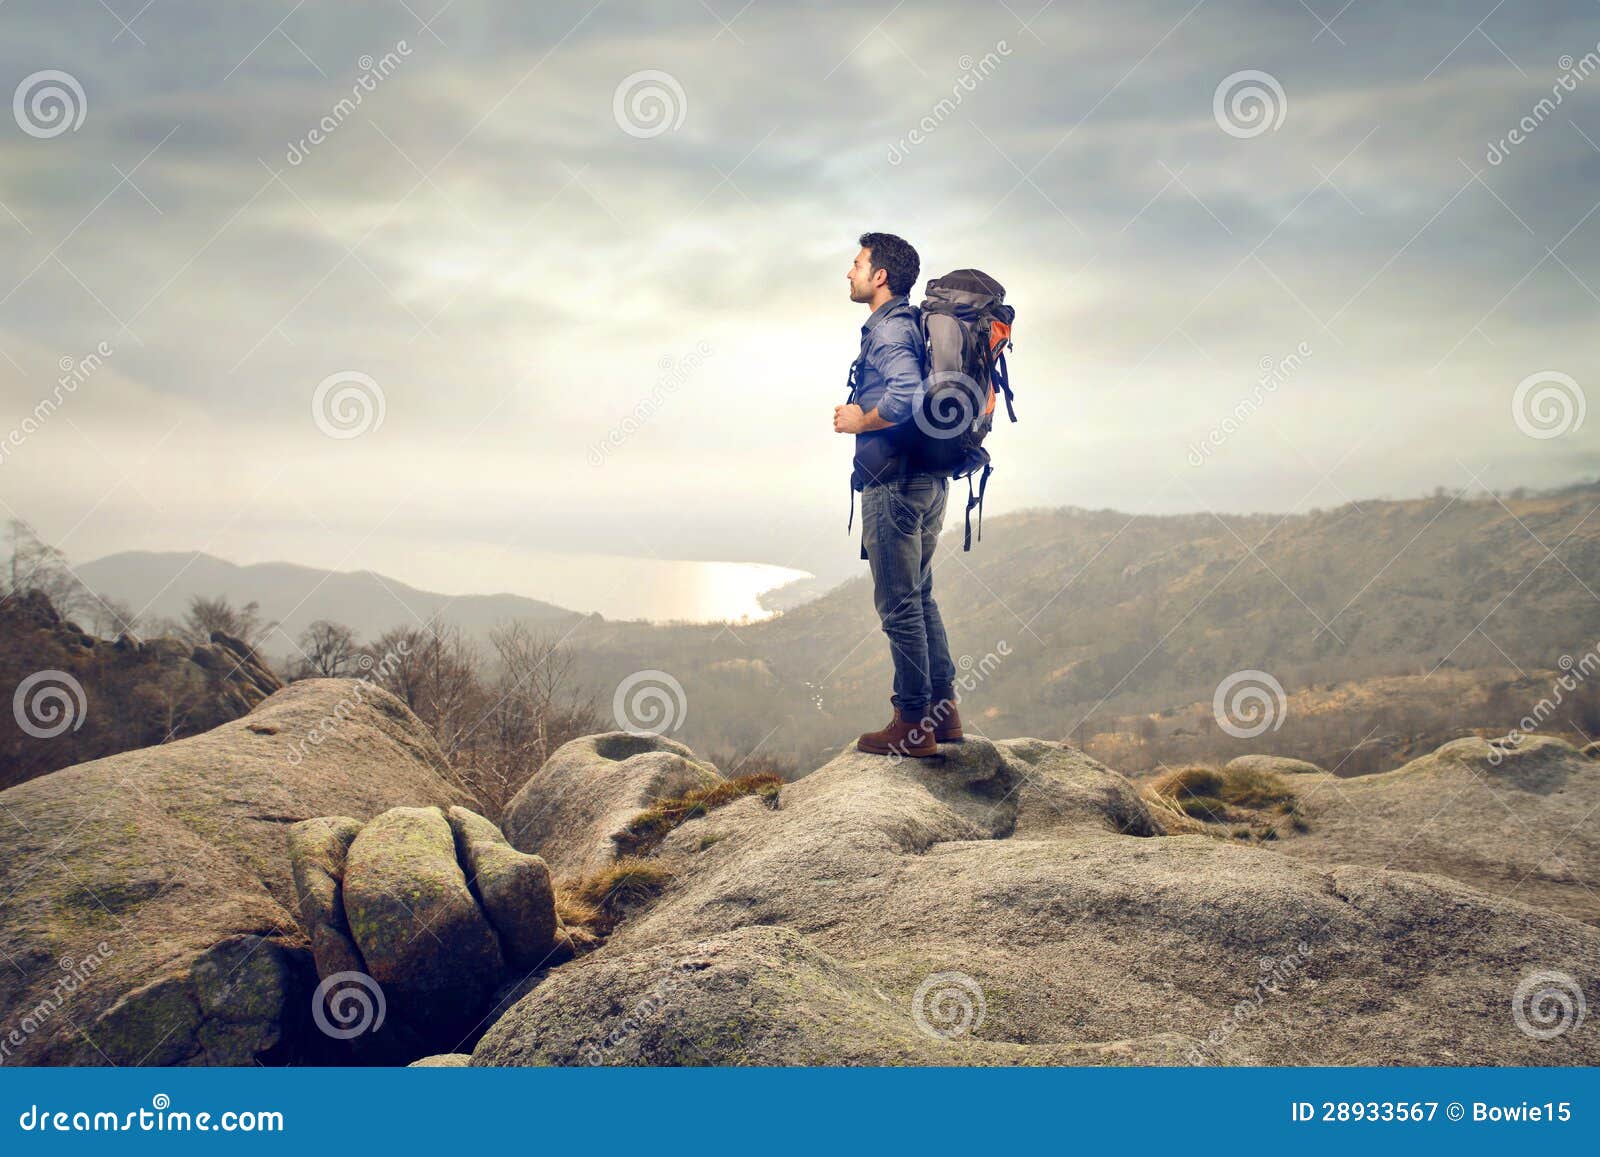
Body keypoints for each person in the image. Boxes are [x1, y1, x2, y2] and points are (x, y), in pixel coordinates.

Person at [832, 232, 962, 758]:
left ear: (879, 275)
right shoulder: (911, 326)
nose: (850, 272)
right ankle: (943, 714)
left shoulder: (888, 331)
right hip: (929, 482)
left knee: (898, 607)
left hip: (895, 486)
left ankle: (912, 725)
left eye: (857, 263)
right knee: (920, 598)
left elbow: (906, 395)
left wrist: (859, 419)